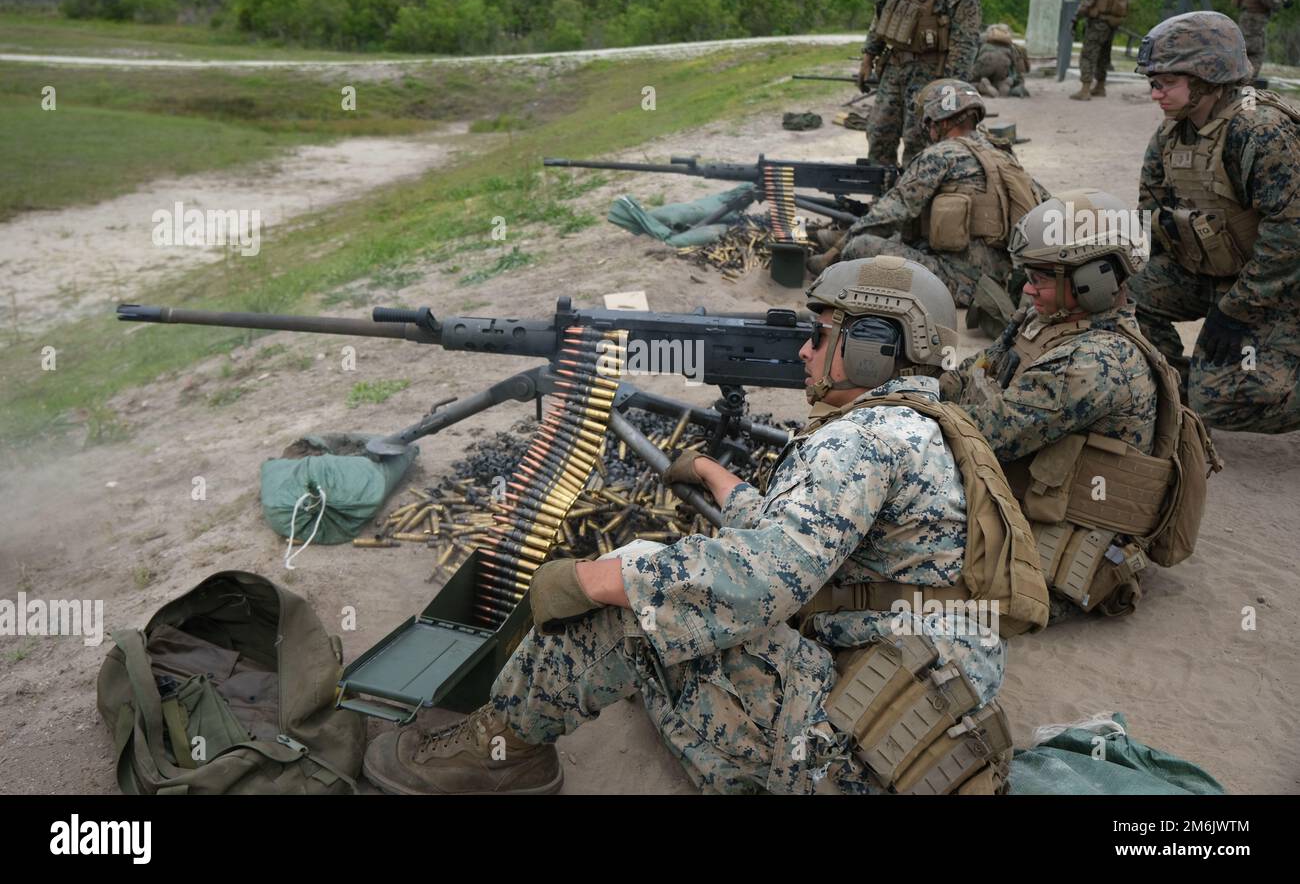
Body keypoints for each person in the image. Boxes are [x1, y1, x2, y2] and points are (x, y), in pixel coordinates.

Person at [362, 257, 1047, 795]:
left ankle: (500, 755)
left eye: (820, 336)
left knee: (634, 605)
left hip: (854, 760)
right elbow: (811, 546)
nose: (806, 354)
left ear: (872, 348)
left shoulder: (862, 440)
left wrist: (597, 580)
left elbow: (759, 579)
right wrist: (726, 482)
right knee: (669, 589)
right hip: (919, 725)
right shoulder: (929, 427)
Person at [943, 190, 1186, 618]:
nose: (1028, 288)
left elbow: (982, 437)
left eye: (1040, 277)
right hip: (1030, 496)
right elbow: (977, 370)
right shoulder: (1048, 322)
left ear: (1095, 279)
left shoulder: (1095, 363)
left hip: (1069, 544)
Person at [1128, 11, 1300, 434]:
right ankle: (1168, 377)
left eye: (1165, 83)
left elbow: (1290, 235)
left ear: (1205, 77)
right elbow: (1150, 215)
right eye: (1153, 83)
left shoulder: (1261, 131)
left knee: (1216, 405)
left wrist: (1237, 311)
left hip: (1277, 289)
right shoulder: (1173, 133)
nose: (1155, 95)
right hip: (1209, 273)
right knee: (1115, 295)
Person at [821, 79, 1047, 337]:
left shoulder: (940, 155)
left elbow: (891, 212)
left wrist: (838, 248)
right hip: (999, 278)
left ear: (938, 122)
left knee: (859, 247)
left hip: (959, 281)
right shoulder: (1002, 153)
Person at [860, 0, 980, 168]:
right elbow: (883, 17)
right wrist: (868, 56)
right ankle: (880, 197)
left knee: (920, 142)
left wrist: (951, 90)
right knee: (878, 134)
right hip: (894, 68)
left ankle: (913, 197)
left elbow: (965, 41)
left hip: (931, 75)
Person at [1071, 0, 1129, 101]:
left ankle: (1085, 89)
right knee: (1104, 55)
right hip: (1112, 24)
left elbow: (1088, 1)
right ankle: (1100, 86)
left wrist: (1076, 17)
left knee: (1088, 55)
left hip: (1097, 23)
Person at [974, 24, 1029, 98]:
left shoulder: (983, 40)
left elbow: (974, 56)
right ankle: (1003, 84)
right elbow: (1020, 68)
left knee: (969, 81)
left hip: (984, 64)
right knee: (1003, 78)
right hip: (1003, 68)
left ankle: (982, 86)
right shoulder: (1012, 46)